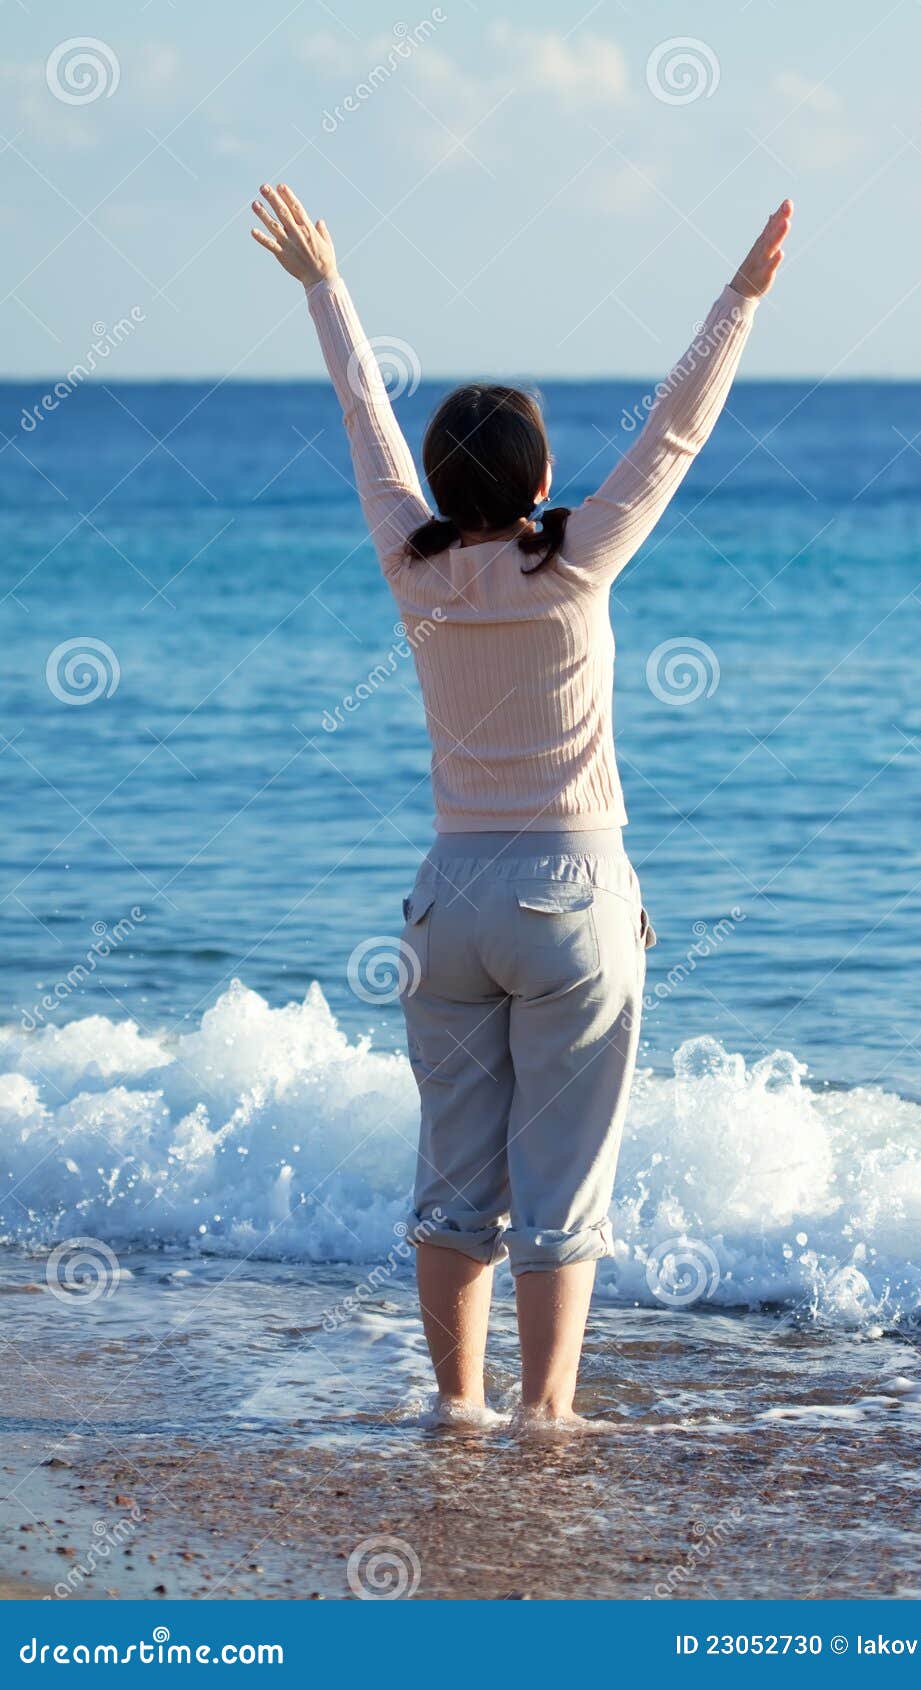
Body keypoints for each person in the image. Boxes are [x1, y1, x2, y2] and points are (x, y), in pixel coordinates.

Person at [251, 181, 791, 1426]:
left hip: (446, 901)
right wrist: (739, 301)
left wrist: (325, 289)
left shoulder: (411, 558)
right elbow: (674, 434)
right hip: (571, 898)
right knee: (563, 1183)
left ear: (443, 484)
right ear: (540, 472)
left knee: (455, 1178)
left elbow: (363, 415)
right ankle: (545, 1415)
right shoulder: (581, 554)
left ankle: (456, 1405)